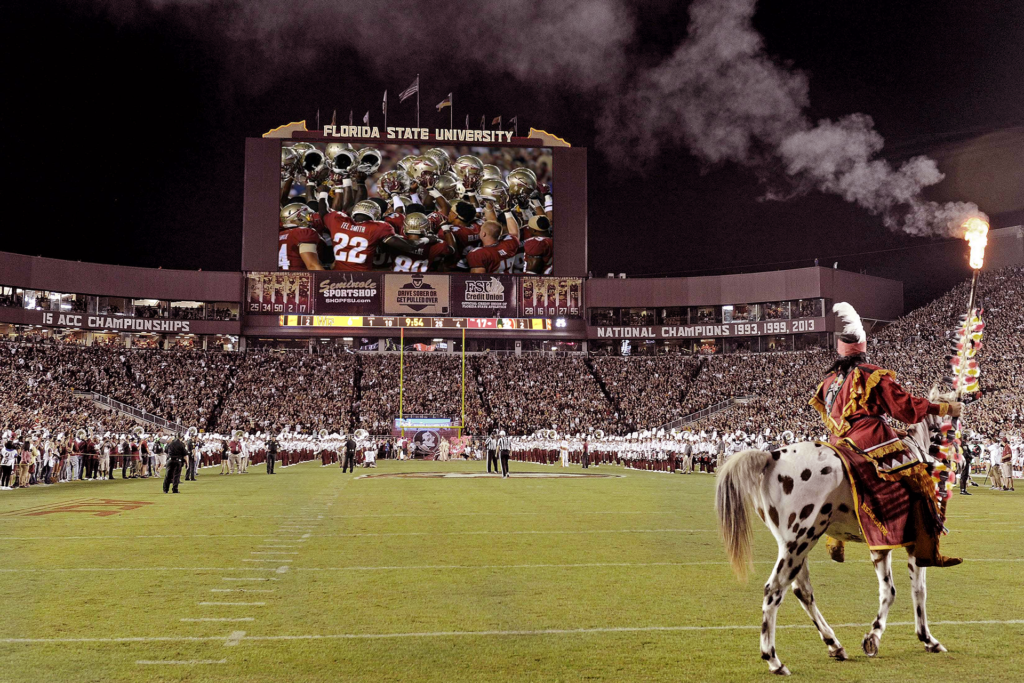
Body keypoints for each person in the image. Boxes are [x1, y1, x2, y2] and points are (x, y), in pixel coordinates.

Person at [809, 302, 961, 568]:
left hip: (838, 442)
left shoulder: (829, 381)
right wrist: (945, 406)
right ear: (862, 350)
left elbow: (847, 417)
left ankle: (835, 538)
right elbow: (905, 407)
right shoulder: (869, 374)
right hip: (869, 441)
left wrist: (890, 428)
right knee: (922, 480)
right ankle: (928, 551)